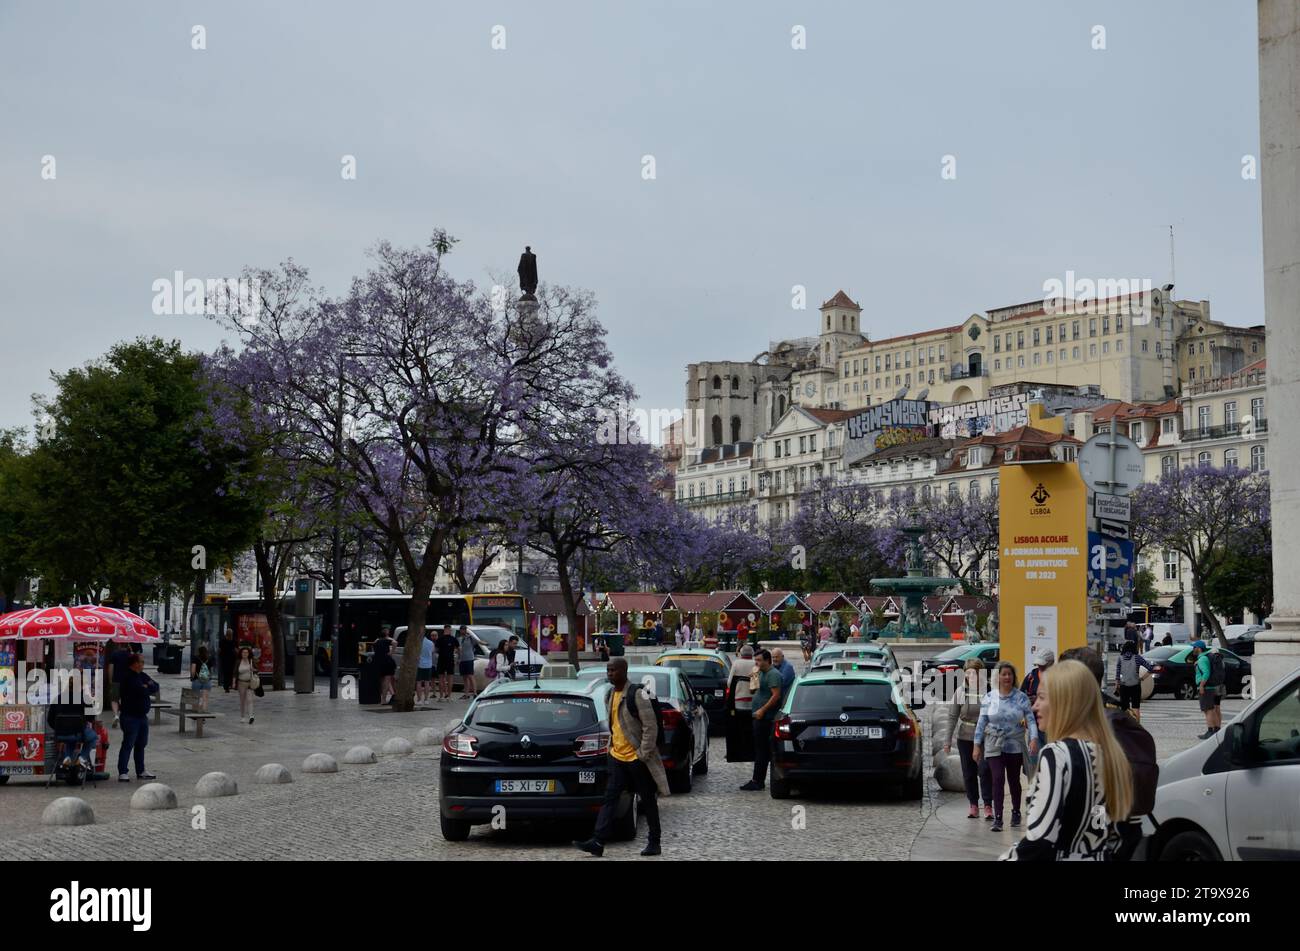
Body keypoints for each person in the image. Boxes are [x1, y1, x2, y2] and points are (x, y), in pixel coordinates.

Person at [1001, 659, 1135, 861]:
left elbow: (1040, 840)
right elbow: (1104, 825)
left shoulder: (1057, 755)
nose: (1035, 706)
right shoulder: (1111, 755)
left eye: (1041, 698)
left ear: (1063, 702)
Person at [1057, 646, 1159, 860]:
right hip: (1127, 829)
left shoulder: (1092, 724)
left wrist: (1091, 837)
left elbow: (1096, 795)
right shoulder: (1115, 710)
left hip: (1104, 840)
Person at [576, 657, 670, 857]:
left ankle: (655, 842)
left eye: (613, 671)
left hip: (637, 759)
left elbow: (650, 726)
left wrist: (642, 753)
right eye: (608, 670)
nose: (610, 674)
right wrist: (612, 749)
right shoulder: (610, 694)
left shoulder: (637, 694)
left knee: (647, 800)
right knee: (610, 798)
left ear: (623, 671)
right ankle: (598, 841)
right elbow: (614, 725)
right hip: (617, 757)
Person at [973, 662, 1039, 832]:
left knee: (1014, 781)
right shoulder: (989, 697)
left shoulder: (1021, 698)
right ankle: (998, 818)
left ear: (1013, 677)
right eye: (1004, 674)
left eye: (1010, 674)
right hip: (993, 744)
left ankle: (1016, 811)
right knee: (997, 779)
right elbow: (981, 723)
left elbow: (1031, 720)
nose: (1007, 677)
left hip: (1014, 745)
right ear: (998, 677)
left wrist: (1033, 739)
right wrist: (976, 745)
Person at [945, 659, 994, 819]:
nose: (971, 676)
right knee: (969, 772)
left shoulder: (989, 690)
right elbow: (952, 716)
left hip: (986, 736)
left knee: (985, 770)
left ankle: (988, 804)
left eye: (974, 672)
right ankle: (973, 804)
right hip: (965, 737)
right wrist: (947, 740)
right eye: (968, 673)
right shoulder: (960, 692)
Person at [739, 649, 783, 791]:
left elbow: (776, 696)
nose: (756, 663)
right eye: (755, 660)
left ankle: (758, 780)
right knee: (759, 749)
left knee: (763, 750)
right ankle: (758, 779)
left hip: (766, 718)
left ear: (767, 660)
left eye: (759, 660)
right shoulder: (761, 673)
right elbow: (753, 691)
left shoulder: (773, 675)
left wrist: (763, 710)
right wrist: (754, 678)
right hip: (757, 716)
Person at [117, 654, 158, 782]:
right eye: (141, 662)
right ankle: (123, 771)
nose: (143, 664)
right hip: (130, 716)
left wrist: (147, 686)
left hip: (142, 716)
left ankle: (141, 770)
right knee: (128, 744)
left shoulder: (143, 675)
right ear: (134, 663)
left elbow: (155, 686)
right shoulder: (128, 677)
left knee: (141, 744)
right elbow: (140, 691)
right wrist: (145, 687)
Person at [1020, 651, 1054, 778]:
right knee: (1033, 758)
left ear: (1051, 664)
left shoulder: (1058, 677)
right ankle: (1033, 785)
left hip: (1052, 725)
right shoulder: (1031, 676)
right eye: (1038, 664)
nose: (1040, 667)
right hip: (1034, 723)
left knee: (1050, 758)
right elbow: (1021, 696)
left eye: (1043, 665)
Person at [1191, 640, 1225, 739]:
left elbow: (1206, 673)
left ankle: (1210, 731)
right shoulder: (1208, 657)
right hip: (1215, 685)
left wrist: (1201, 685)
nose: (1193, 649)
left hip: (1206, 687)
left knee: (1208, 710)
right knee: (1215, 708)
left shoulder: (1202, 659)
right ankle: (1217, 730)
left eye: (1194, 647)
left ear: (1199, 648)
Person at [1114, 640, 1154, 722]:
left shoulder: (1120, 658)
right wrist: (1142, 678)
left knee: (1124, 707)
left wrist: (1117, 685)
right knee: (1136, 707)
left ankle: (1126, 726)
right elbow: (1150, 668)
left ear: (1124, 648)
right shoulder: (1137, 657)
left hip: (1124, 686)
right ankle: (1137, 726)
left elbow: (1117, 674)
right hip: (1135, 686)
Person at [106, 640, 132, 728]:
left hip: (116, 680)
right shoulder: (130, 656)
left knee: (114, 699)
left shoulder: (115, 654)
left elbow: (111, 668)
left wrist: (110, 680)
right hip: (128, 681)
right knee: (126, 699)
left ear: (119, 644)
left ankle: (116, 715)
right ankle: (125, 716)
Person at [373, 625, 397, 704]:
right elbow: (395, 642)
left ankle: (389, 695)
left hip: (378, 662)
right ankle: (384, 699)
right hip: (387, 661)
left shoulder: (377, 641)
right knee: (387, 680)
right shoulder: (387, 640)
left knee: (383, 680)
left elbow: (374, 646)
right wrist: (392, 652)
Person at [455, 625, 481, 700]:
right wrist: (458, 659)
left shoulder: (470, 638)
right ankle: (466, 694)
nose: (463, 631)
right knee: (464, 677)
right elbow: (458, 649)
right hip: (462, 659)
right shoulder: (458, 639)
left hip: (469, 659)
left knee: (470, 676)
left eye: (464, 629)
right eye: (462, 629)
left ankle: (475, 693)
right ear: (460, 630)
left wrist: (485, 643)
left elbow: (478, 642)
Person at [234, 645, 257, 723]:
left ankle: (251, 716)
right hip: (241, 683)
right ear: (241, 653)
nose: (245, 654)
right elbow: (235, 673)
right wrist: (233, 682)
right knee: (242, 700)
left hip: (250, 682)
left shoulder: (251, 661)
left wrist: (253, 669)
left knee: (250, 699)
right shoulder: (238, 661)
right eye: (243, 652)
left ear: (249, 653)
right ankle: (242, 716)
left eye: (246, 652)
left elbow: (257, 670)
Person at [435, 624, 458, 701]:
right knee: (450, 678)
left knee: (441, 678)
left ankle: (441, 696)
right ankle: (449, 696)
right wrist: (456, 655)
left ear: (444, 630)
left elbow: (436, 650)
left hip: (441, 659)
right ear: (449, 629)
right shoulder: (453, 639)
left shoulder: (440, 639)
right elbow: (458, 648)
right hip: (450, 659)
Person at [416, 628, 435, 704]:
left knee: (419, 683)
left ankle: (419, 700)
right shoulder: (431, 643)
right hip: (428, 665)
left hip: (419, 665)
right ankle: (426, 699)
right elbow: (433, 652)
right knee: (427, 682)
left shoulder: (417, 642)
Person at [218, 628, 236, 693]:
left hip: (224, 659)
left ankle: (226, 686)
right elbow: (234, 649)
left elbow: (220, 650)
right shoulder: (233, 641)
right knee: (230, 673)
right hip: (231, 659)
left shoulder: (222, 641)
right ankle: (229, 685)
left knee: (225, 673)